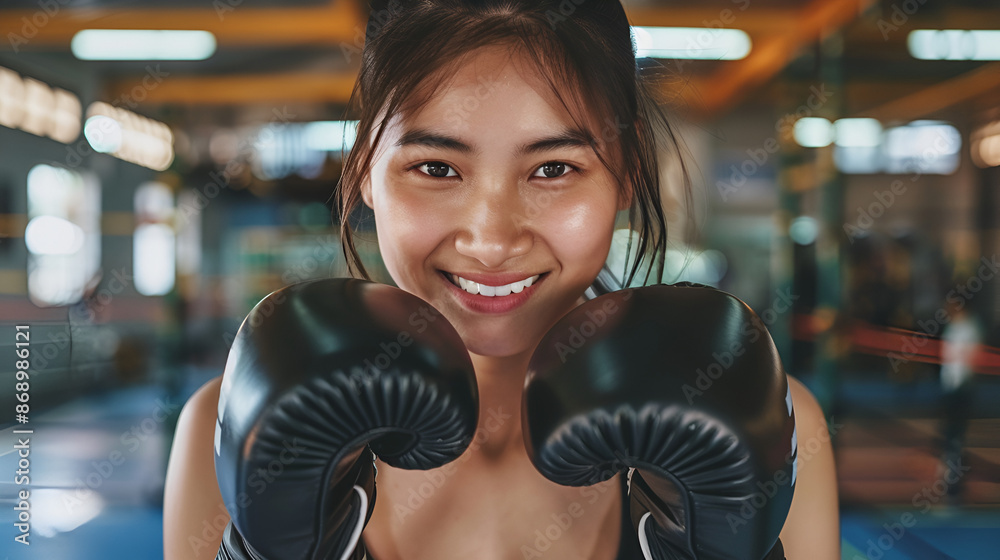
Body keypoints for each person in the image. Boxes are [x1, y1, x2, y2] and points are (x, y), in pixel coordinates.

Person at [162, 1, 840, 558]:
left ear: (629, 171)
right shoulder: (233, 429)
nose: (491, 240)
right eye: (436, 168)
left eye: (553, 169)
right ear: (364, 167)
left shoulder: (776, 426)